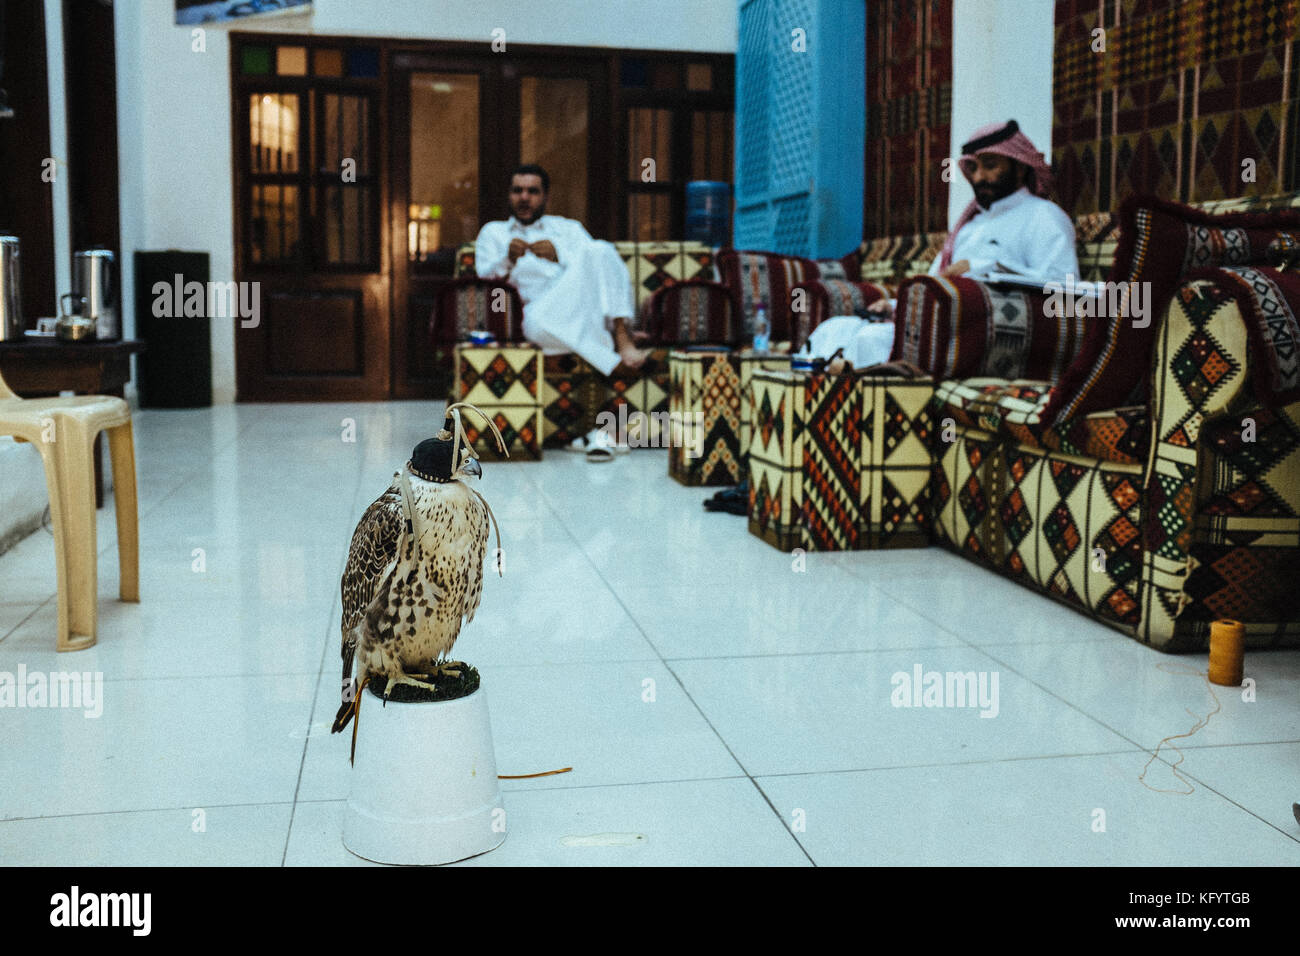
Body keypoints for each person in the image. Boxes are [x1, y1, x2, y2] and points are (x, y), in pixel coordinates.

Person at [809, 119, 1079, 373]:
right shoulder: (970, 226)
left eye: (990, 164)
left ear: (1020, 167)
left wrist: (983, 268)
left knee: (872, 339)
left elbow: (1065, 289)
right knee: (835, 329)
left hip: (981, 331)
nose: (980, 177)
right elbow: (935, 282)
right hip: (942, 325)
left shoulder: (1044, 217)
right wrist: (895, 306)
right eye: (973, 168)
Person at [474, 164, 647, 378]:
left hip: (577, 305)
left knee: (601, 249)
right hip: (536, 313)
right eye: (517, 190)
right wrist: (507, 260)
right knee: (537, 327)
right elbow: (484, 281)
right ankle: (608, 356)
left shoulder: (568, 228)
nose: (524, 197)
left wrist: (559, 256)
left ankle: (622, 336)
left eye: (533, 191)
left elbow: (597, 266)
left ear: (546, 197)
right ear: (509, 195)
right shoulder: (493, 232)